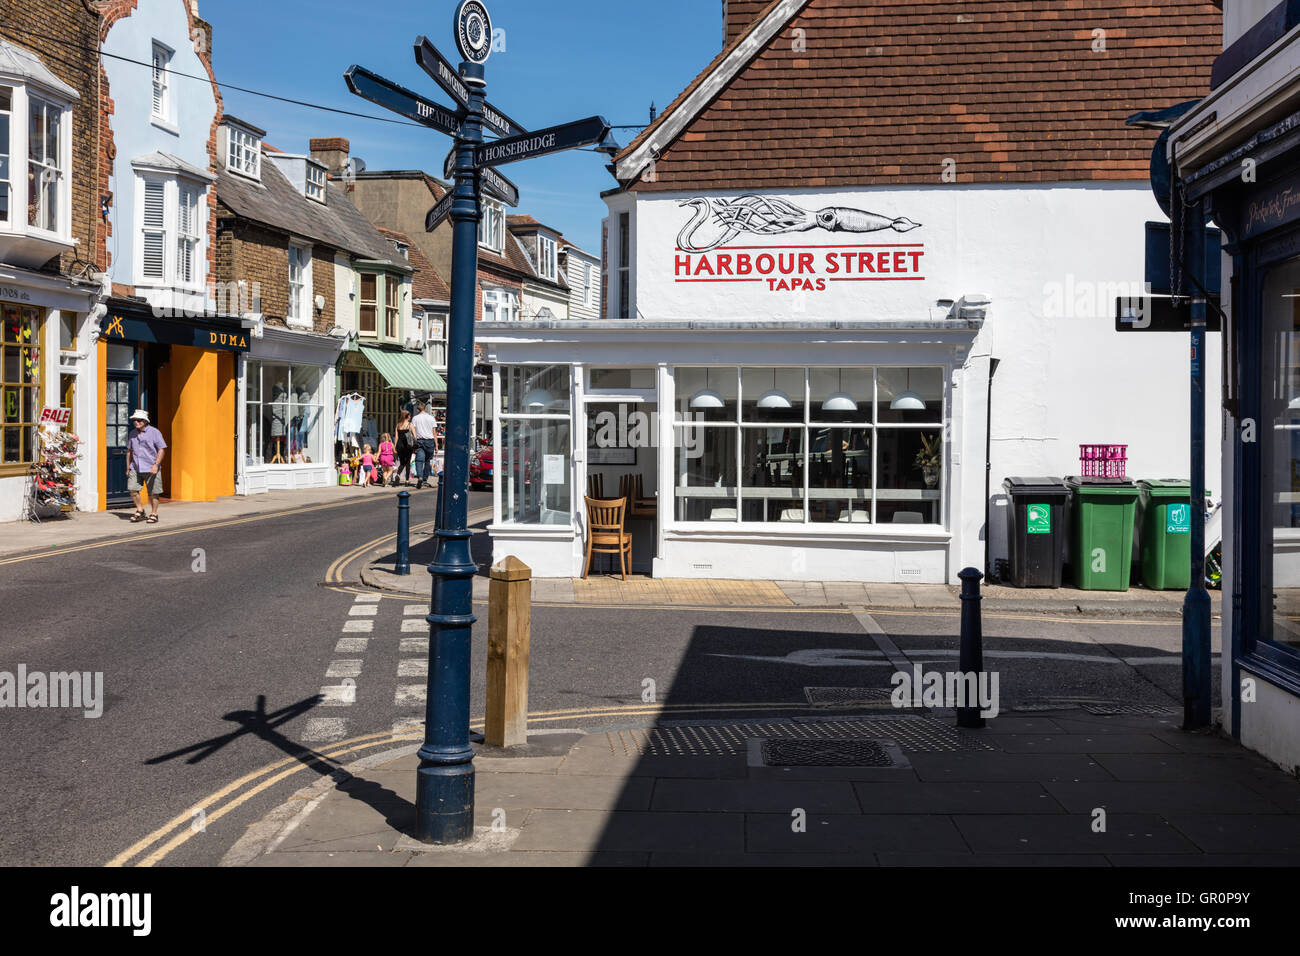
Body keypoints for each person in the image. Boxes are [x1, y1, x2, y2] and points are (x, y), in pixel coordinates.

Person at [125, 409, 167, 523]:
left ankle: (154, 514)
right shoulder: (132, 433)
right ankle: (140, 510)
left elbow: (161, 450)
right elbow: (129, 451)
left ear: (145, 421)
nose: (136, 422)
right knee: (132, 489)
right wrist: (128, 467)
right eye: (134, 420)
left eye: (139, 420)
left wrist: (156, 465)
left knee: (154, 492)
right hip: (136, 467)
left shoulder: (154, 432)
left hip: (151, 467)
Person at [411, 402, 438, 490]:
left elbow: (413, 432)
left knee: (419, 461)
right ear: (425, 409)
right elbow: (434, 433)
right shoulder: (431, 418)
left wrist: (414, 443)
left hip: (420, 441)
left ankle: (420, 477)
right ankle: (425, 479)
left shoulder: (415, 418)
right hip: (430, 441)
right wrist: (436, 446)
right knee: (427, 461)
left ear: (418, 410)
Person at [395, 410, 415, 486]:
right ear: (407, 416)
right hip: (407, 446)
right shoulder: (410, 425)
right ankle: (407, 480)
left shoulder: (398, 425)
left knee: (402, 462)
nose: (410, 417)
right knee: (407, 463)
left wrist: (395, 448)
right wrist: (414, 446)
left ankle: (398, 475)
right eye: (409, 416)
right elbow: (414, 436)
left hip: (400, 446)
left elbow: (396, 437)